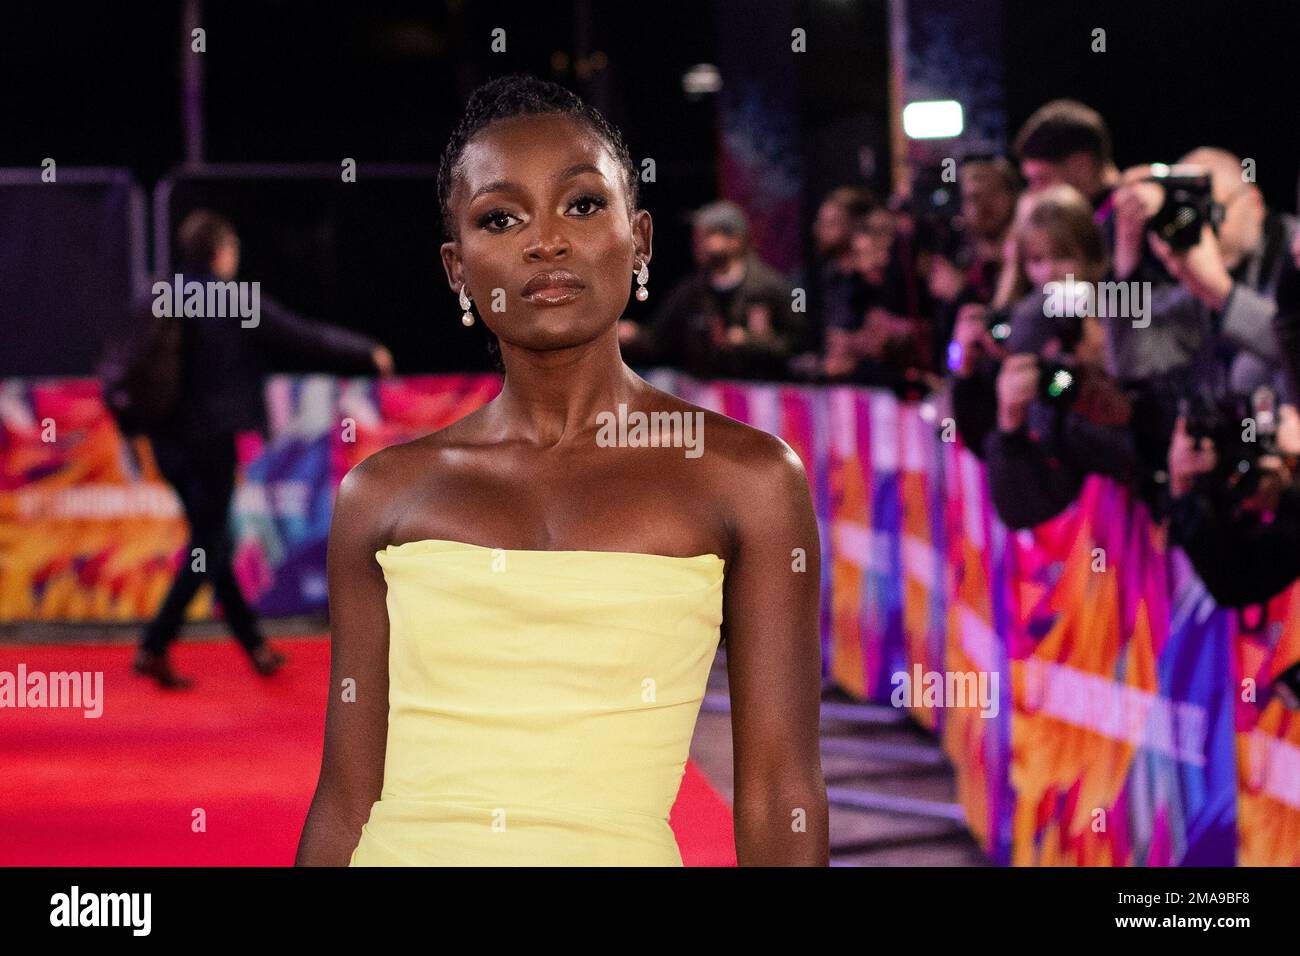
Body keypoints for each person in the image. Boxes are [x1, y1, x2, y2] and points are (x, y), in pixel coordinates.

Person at [296, 74, 828, 867]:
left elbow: (780, 790)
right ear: (457, 269)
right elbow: (345, 797)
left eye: (582, 205)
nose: (546, 241)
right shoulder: (381, 495)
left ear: (640, 239)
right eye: (501, 218)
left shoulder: (748, 479)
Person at [134, 210, 394, 689]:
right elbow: (304, 335)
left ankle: (249, 646)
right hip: (210, 443)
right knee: (210, 542)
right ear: (220, 253)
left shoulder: (158, 295)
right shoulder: (233, 300)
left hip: (164, 444)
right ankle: (155, 644)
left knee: (210, 543)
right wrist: (365, 350)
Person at [624, 200, 803, 380]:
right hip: (708, 398)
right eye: (697, 237)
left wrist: (749, 342)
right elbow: (659, 339)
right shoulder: (692, 290)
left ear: (735, 241)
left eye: (706, 236)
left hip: (757, 398)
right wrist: (633, 335)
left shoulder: (768, 287)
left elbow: (797, 345)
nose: (698, 243)